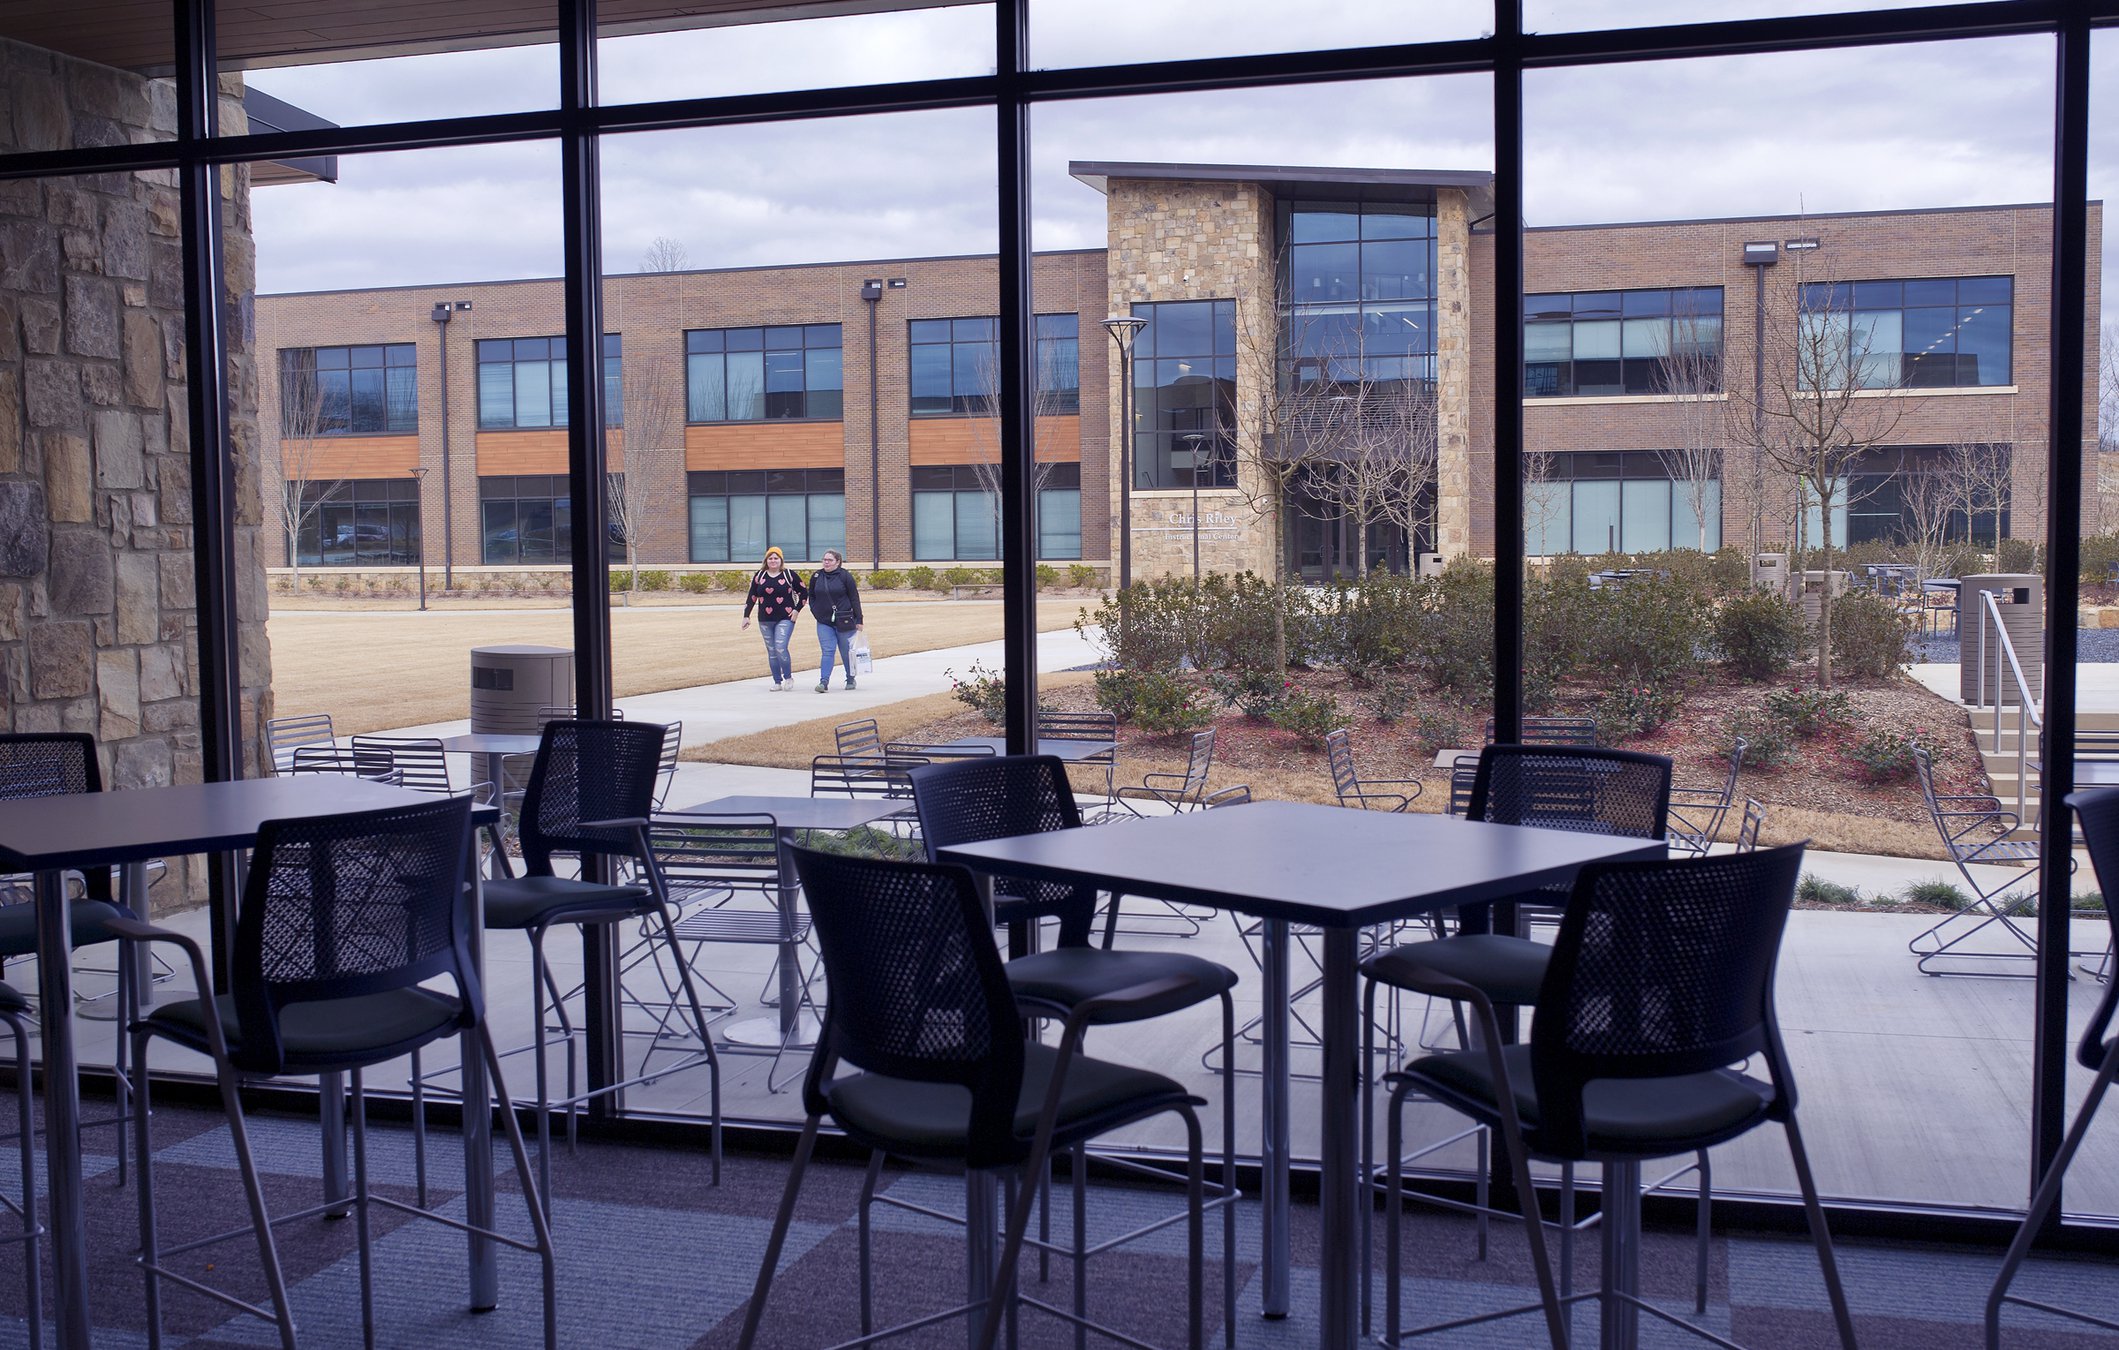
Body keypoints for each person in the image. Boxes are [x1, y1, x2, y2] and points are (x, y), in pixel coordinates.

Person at [740, 546, 807, 690]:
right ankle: (777, 681)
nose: (773, 561)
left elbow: (803, 592)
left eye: (776, 558)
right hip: (765, 619)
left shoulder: (789, 575)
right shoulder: (760, 576)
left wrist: (796, 610)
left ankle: (788, 677)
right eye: (770, 558)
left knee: (780, 647)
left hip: (785, 617)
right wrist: (746, 616)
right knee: (771, 651)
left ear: (781, 560)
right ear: (766, 560)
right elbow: (752, 596)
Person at [807, 548, 864, 692]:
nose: (826, 562)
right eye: (824, 560)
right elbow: (812, 596)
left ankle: (850, 679)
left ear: (837, 562)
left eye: (829, 560)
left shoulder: (845, 577)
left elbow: (854, 598)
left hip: (844, 620)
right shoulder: (816, 576)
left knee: (846, 652)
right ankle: (823, 682)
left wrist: (859, 619)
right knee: (827, 651)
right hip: (824, 621)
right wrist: (816, 611)